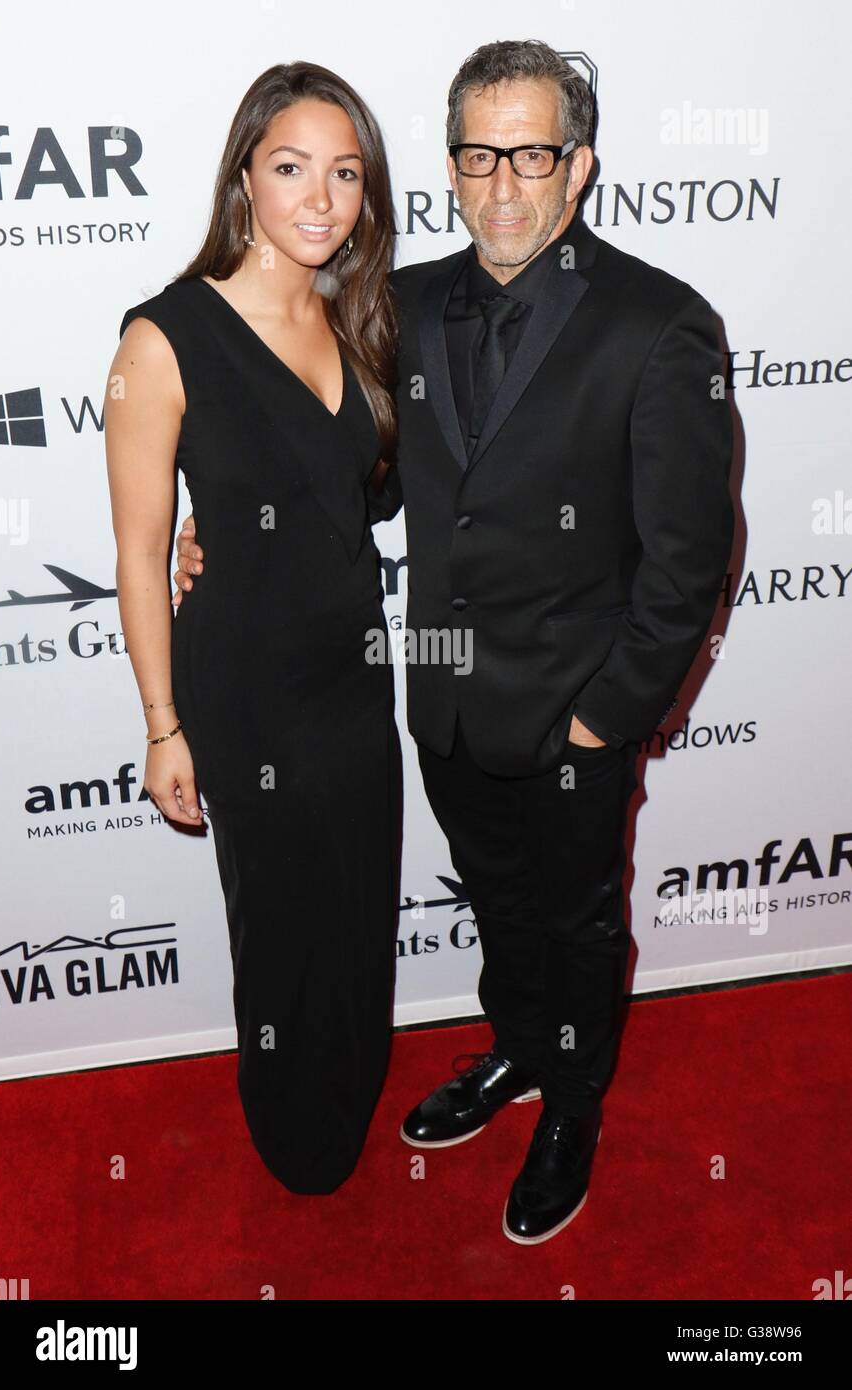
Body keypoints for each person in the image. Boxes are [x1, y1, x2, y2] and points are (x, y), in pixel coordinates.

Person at [173, 40, 734, 1242]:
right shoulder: (406, 302)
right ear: (449, 166)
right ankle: (519, 1053)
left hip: (576, 710)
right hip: (440, 702)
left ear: (577, 166)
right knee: (496, 902)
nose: (502, 185)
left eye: (530, 154)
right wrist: (210, 523)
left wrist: (604, 714)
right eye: (477, 156)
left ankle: (571, 1103)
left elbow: (690, 560)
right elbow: (348, 474)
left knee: (578, 920)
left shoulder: (660, 323)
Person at [103, 62, 403, 1196]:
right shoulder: (163, 338)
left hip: (353, 676)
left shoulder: (362, 321)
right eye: (290, 168)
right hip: (244, 688)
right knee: (278, 923)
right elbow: (138, 552)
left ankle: (351, 1090)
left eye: (344, 174)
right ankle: (292, 1130)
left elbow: (360, 497)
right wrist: (162, 724)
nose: (320, 198)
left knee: (360, 907)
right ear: (243, 176)